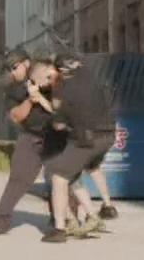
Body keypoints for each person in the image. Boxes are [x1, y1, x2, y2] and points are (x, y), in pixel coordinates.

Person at [31, 55, 117, 243]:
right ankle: (96, 213)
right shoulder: (92, 80)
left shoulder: (66, 90)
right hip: (108, 135)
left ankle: (59, 229)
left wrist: (44, 104)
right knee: (75, 173)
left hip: (87, 139)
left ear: (62, 71)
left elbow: (59, 124)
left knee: (58, 176)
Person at [0, 49, 59, 236]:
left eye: (14, 67)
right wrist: (30, 99)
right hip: (31, 136)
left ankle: (63, 220)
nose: (12, 73)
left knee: (61, 179)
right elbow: (16, 116)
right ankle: (2, 220)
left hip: (55, 135)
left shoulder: (46, 73)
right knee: (18, 179)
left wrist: (45, 84)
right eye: (9, 69)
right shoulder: (13, 90)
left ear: (26, 63)